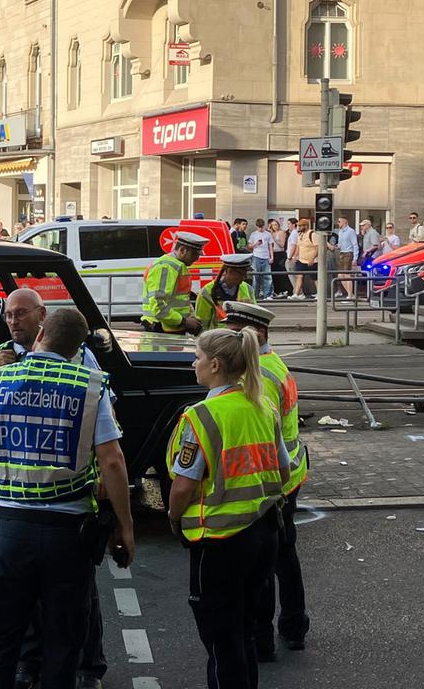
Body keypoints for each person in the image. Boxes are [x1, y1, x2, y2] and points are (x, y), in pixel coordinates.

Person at [0, 289, 111, 689]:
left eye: (21, 313)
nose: (13, 321)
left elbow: (106, 437)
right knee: (18, 615)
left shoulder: (78, 356)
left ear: (42, 317)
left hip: (65, 506)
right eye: (8, 314)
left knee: (75, 608)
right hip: (15, 501)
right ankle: (29, 663)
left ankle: (88, 667)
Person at [167, 327, 290, 689]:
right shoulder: (263, 405)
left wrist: (174, 518)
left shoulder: (201, 417)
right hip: (264, 532)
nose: (194, 363)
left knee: (222, 641)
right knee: (244, 632)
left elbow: (184, 485)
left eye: (198, 357)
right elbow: (282, 468)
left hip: (220, 542)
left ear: (215, 365)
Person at [220, 301, 310, 662]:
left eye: (234, 332)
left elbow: (259, 436)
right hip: (287, 475)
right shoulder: (271, 366)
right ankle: (293, 627)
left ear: (254, 335)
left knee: (268, 561)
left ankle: (267, 638)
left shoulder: (259, 377)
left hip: (273, 480)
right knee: (284, 556)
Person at [141, 232, 209, 334]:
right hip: (160, 329)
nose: (197, 258)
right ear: (182, 250)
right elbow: (157, 305)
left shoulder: (175, 266)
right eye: (195, 254)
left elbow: (181, 300)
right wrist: (184, 321)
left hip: (170, 327)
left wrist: (190, 318)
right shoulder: (165, 267)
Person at [195, 254, 256, 332]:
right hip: (219, 339)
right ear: (230, 271)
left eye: (245, 274)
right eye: (241, 274)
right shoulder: (207, 292)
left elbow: (254, 317)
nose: (244, 277)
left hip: (243, 338)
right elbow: (202, 324)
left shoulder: (248, 289)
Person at [290, 219, 317, 299]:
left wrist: (312, 258)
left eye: (301, 226)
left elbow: (317, 247)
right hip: (301, 260)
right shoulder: (300, 235)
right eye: (299, 226)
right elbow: (299, 247)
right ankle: (296, 294)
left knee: (315, 278)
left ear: (306, 226)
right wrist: (295, 256)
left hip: (312, 260)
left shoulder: (312, 234)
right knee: (299, 276)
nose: (299, 227)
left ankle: (319, 293)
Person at [332, 217, 359, 298]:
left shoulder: (351, 231)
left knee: (347, 275)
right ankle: (350, 293)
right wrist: (336, 246)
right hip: (342, 253)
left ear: (345, 222)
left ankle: (350, 295)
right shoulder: (340, 232)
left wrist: (355, 258)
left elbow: (355, 244)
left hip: (348, 253)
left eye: (339, 221)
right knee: (340, 275)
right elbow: (340, 244)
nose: (338, 223)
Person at [248, 220, 273, 300]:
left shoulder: (268, 234)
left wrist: (271, 257)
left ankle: (267, 295)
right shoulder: (253, 234)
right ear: (256, 226)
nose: (260, 228)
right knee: (256, 277)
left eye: (262, 226)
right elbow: (249, 246)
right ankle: (255, 295)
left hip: (266, 256)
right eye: (259, 227)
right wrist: (256, 244)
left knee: (268, 277)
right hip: (256, 256)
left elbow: (270, 246)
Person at [269, 220, 291, 298]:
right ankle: (277, 290)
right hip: (273, 253)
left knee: (281, 272)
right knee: (274, 273)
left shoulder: (282, 232)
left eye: (276, 225)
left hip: (280, 254)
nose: (274, 226)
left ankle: (285, 289)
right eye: (273, 225)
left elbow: (282, 245)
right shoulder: (271, 233)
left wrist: (274, 238)